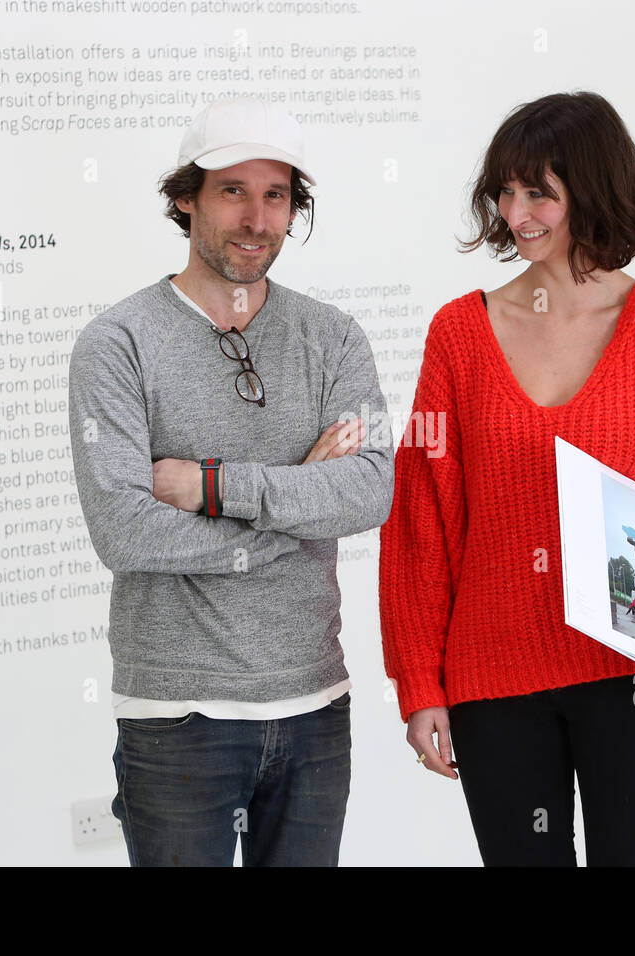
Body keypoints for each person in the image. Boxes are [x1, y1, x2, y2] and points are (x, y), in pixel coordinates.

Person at [379, 91, 635, 866]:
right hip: (495, 683)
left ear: (593, 187)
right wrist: (419, 684)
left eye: (538, 192)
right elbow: (422, 520)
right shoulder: (460, 334)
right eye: (505, 192)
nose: (517, 214)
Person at [68, 97, 393, 866]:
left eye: (275, 195)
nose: (256, 218)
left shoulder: (334, 337)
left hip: (316, 706)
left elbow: (372, 490)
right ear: (186, 198)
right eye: (232, 192)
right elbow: (126, 531)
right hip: (177, 717)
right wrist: (299, 498)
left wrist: (212, 487)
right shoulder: (117, 344)